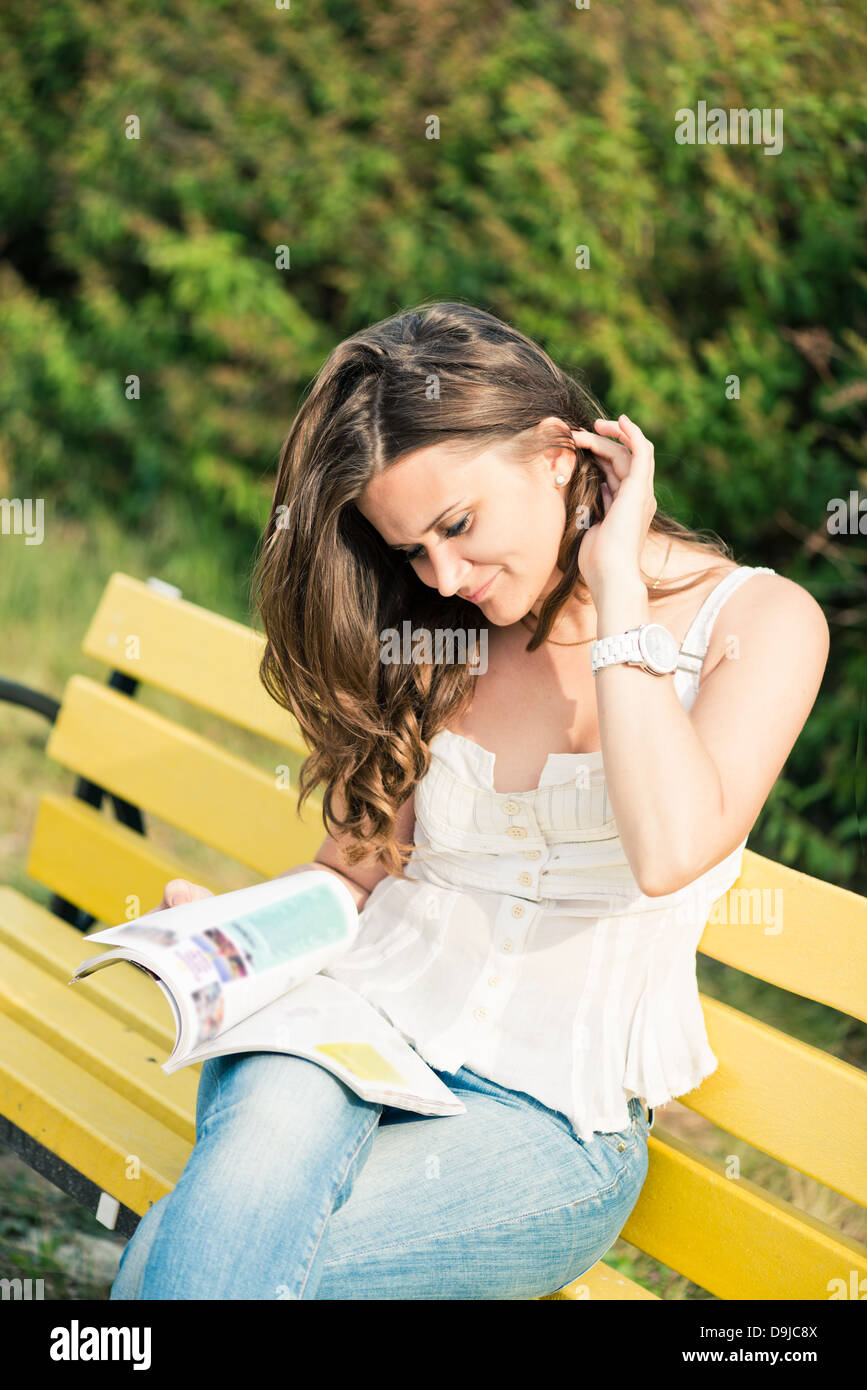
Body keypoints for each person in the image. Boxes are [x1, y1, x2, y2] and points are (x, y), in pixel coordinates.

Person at [111, 301, 829, 1300]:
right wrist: (237, 935)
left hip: (546, 1119)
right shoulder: (435, 632)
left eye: (456, 526)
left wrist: (616, 590)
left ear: (557, 454)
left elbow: (672, 848)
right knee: (224, 1248)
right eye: (412, 550)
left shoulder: (759, 621)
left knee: (185, 1267)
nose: (444, 576)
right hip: (342, 1022)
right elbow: (352, 875)